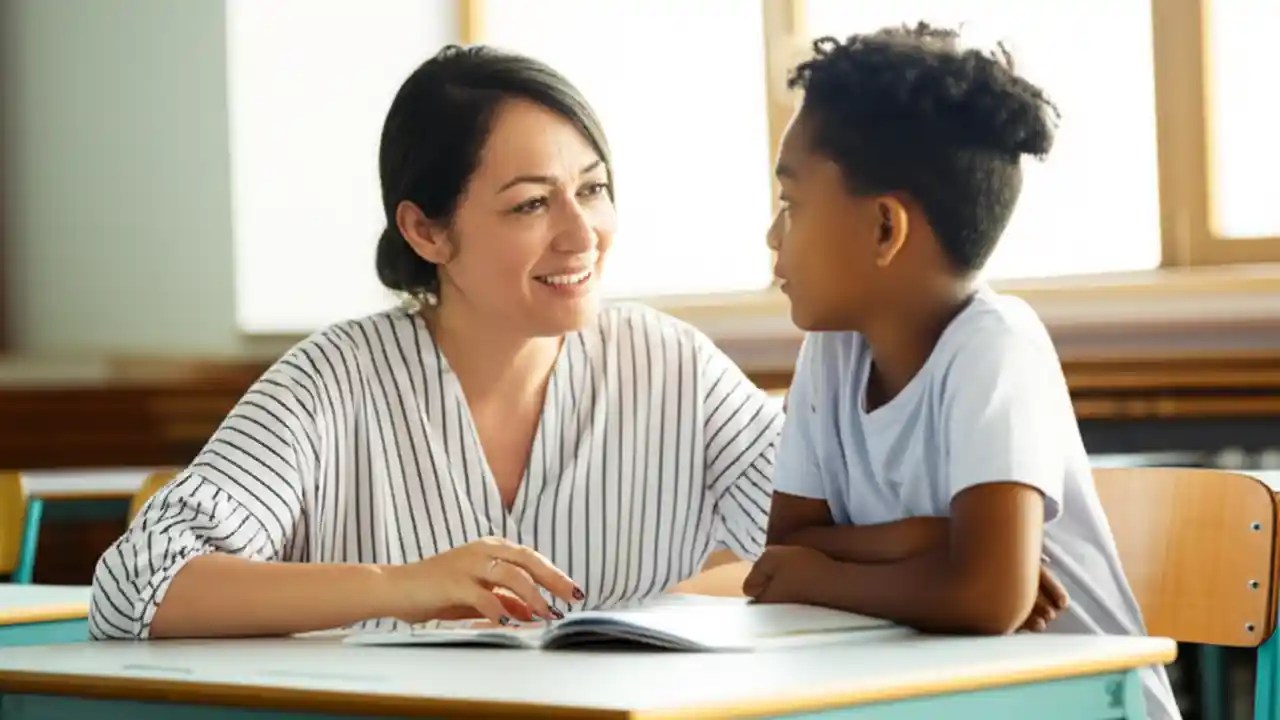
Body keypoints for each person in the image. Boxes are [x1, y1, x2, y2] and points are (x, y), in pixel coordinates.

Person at [89, 45, 781, 640]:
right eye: (531, 203)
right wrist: (405, 587)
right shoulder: (330, 381)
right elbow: (133, 590)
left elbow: (840, 545)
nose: (582, 234)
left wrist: (674, 608)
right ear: (426, 232)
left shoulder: (673, 366)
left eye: (593, 188)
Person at [741, 24, 1180, 719]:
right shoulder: (831, 351)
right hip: (946, 695)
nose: (773, 235)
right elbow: (786, 546)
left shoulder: (994, 347)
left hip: (1085, 706)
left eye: (792, 205)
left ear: (886, 228)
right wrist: (932, 541)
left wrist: (829, 575)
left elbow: (987, 600)